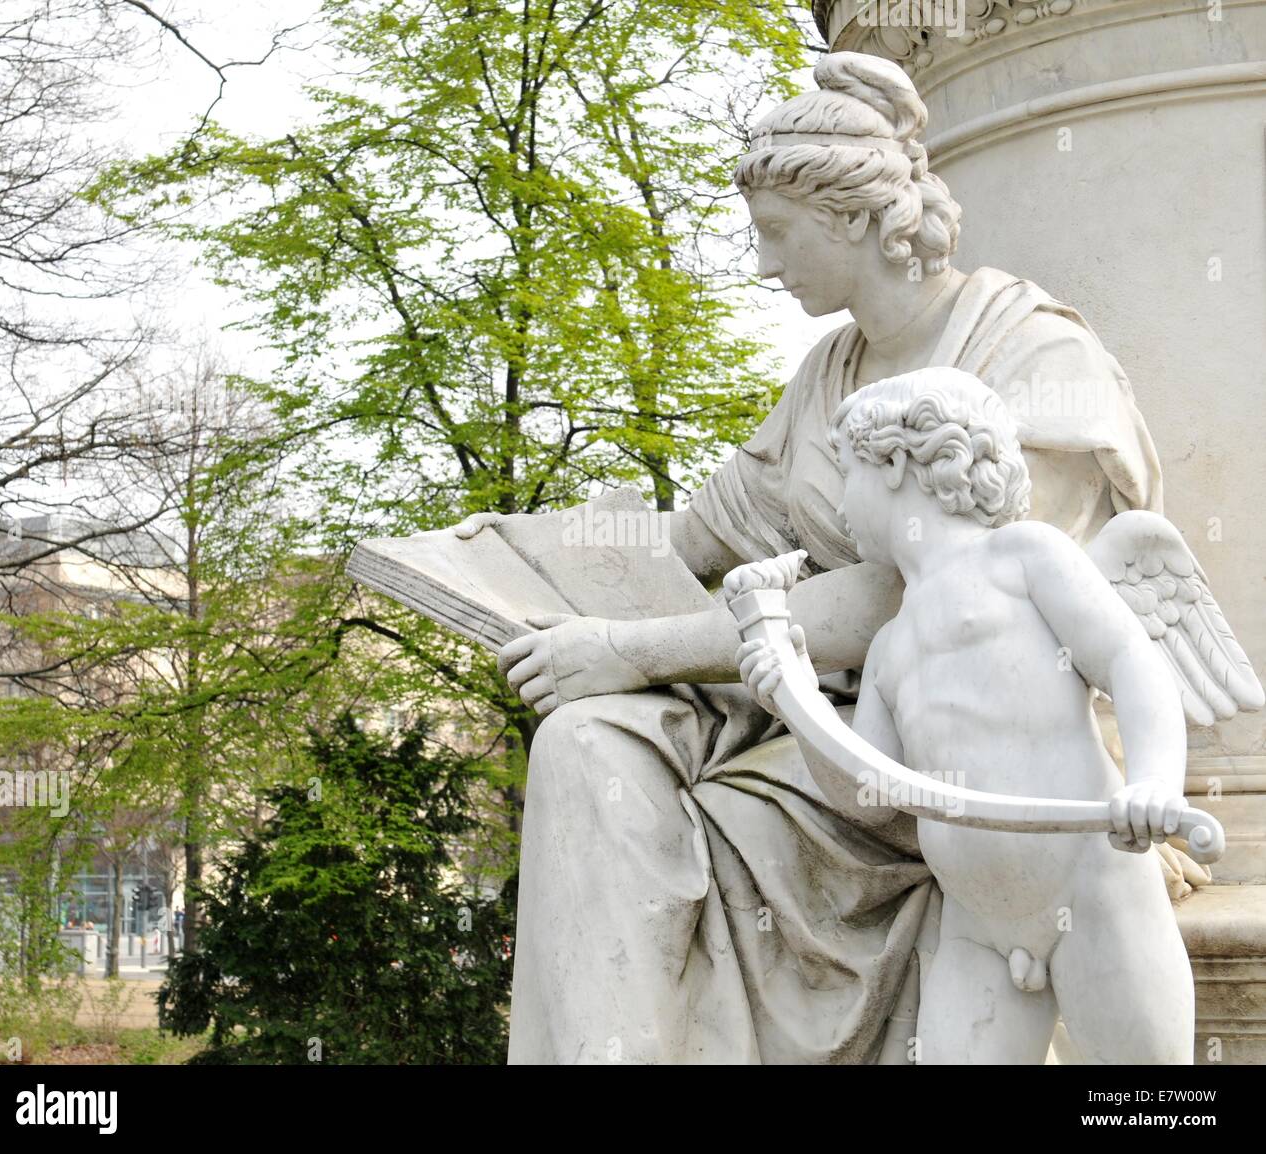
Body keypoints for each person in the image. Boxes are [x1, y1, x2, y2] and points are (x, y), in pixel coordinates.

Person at [463, 52, 1164, 1064]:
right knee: (583, 743)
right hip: (828, 729)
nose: (760, 264)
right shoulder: (824, 374)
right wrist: (519, 557)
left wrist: (634, 647)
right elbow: (697, 535)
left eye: (775, 234)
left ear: (851, 220)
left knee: (674, 757)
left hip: (961, 756)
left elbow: (913, 592)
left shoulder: (1032, 355)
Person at [736, 369, 1193, 1063]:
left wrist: (1156, 780)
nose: (837, 507)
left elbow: (1133, 663)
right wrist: (794, 699)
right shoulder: (888, 647)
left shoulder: (1024, 557)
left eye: (845, 473)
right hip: (976, 927)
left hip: (1092, 891)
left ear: (893, 463)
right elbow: (868, 793)